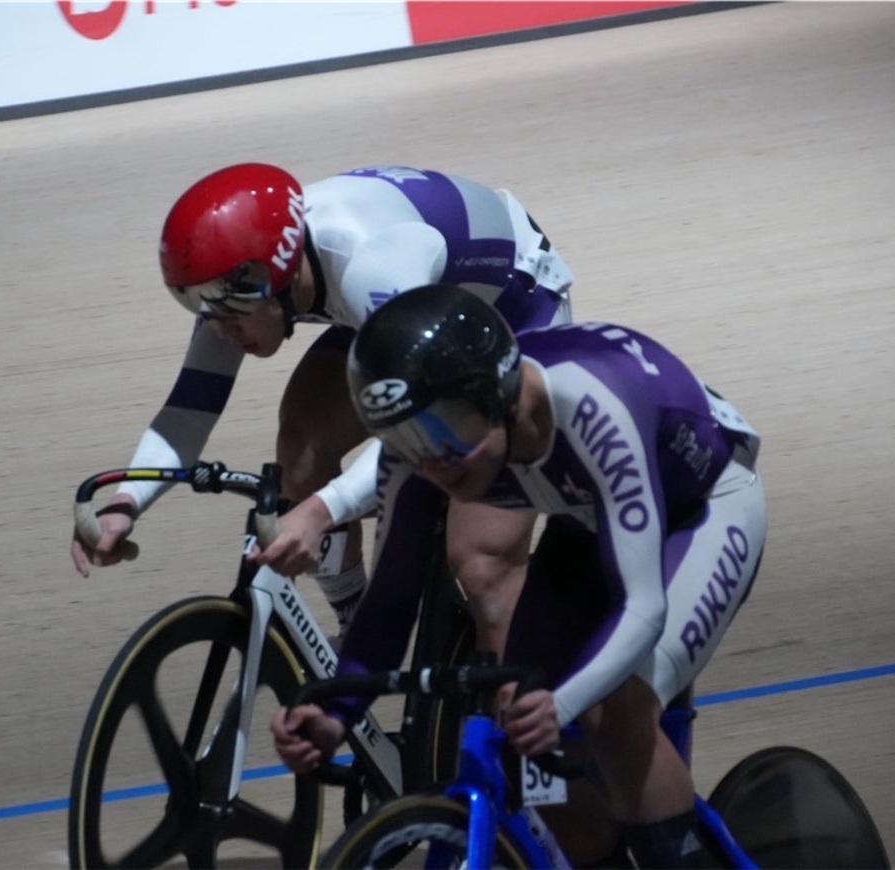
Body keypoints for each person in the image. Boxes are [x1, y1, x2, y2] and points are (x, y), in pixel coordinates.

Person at [271, 285, 767, 868]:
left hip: (706, 506)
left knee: (615, 712)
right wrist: (337, 715)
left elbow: (642, 608)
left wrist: (567, 702)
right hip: (590, 520)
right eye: (404, 439)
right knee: (520, 720)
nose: (433, 462)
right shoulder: (425, 454)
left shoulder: (590, 406)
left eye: (448, 431)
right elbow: (390, 603)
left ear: (500, 396)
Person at [70, 163, 575, 652]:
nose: (221, 330)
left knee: (481, 563)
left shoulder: (369, 267)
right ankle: (355, 628)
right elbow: (189, 409)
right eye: (200, 305)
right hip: (411, 310)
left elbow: (419, 431)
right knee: (302, 448)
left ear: (274, 276)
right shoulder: (244, 285)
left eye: (231, 311)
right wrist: (127, 502)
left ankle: (533, 693)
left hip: (514, 304)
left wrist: (322, 510)